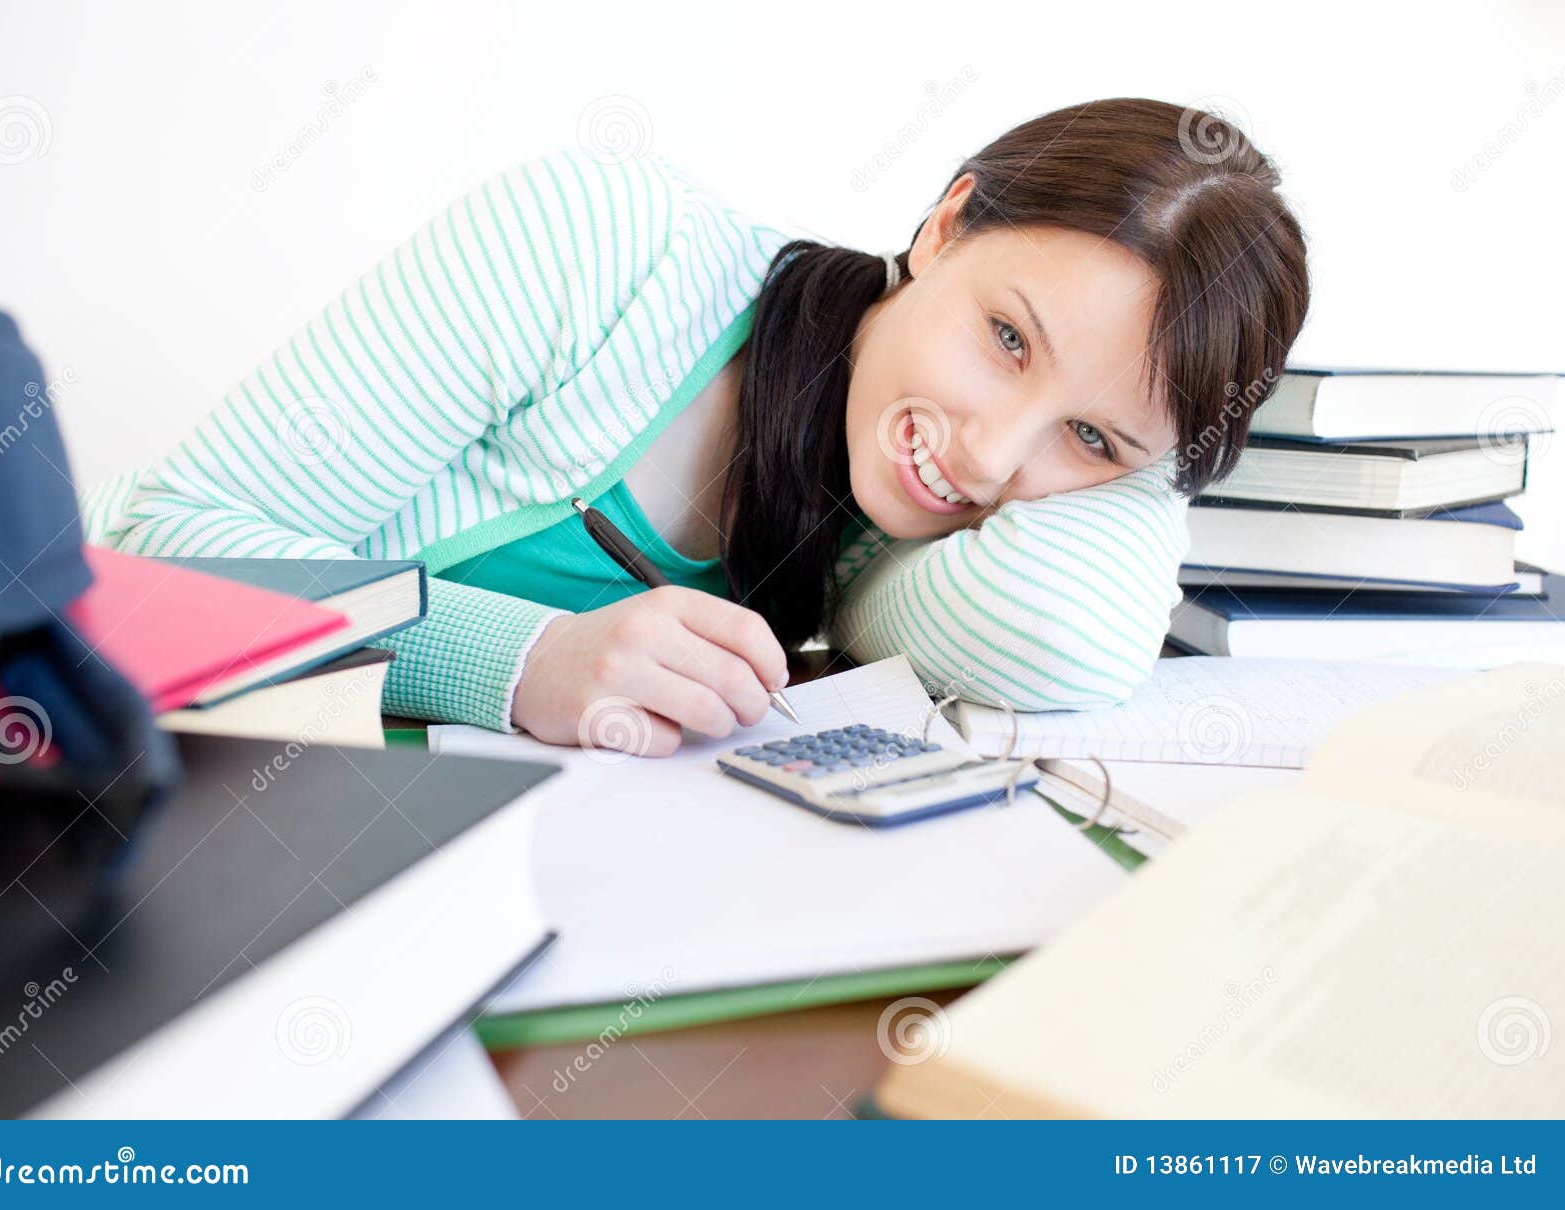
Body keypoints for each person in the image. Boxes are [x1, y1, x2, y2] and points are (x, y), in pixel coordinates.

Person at [81, 97, 1310, 757]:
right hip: (138, 784)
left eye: (1086, 441)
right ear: (945, 225)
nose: (991, 458)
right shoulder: (610, 247)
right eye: (1007, 337)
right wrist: (520, 666)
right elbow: (152, 561)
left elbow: (1064, 636)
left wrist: (1162, 463)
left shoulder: (919, 541)